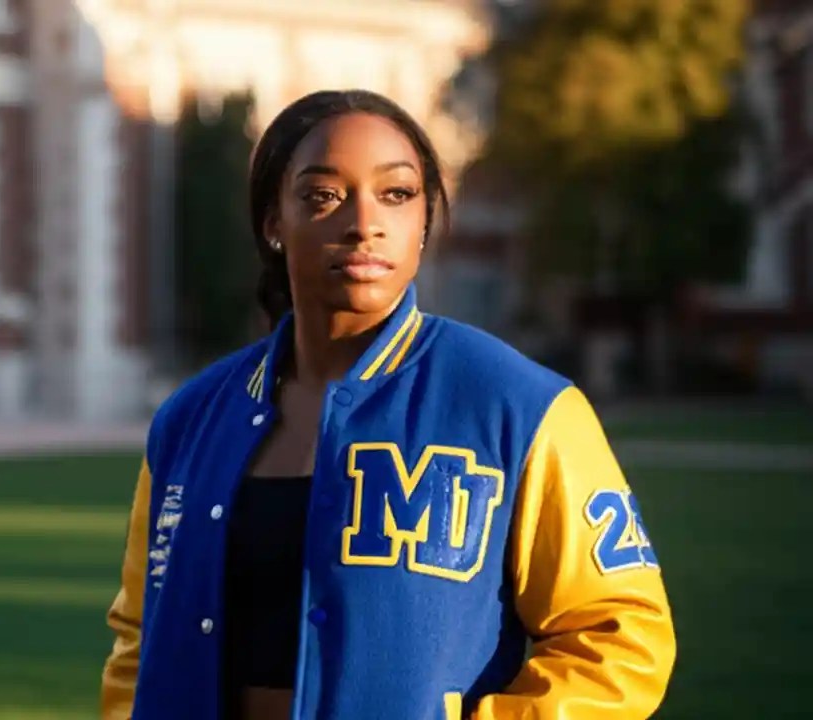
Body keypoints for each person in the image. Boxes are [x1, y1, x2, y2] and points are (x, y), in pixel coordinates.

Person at [100, 89, 675, 720]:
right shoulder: (190, 421)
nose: (363, 222)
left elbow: (621, 636)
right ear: (273, 222)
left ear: (425, 218)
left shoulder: (521, 406)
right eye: (323, 196)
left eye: (396, 194)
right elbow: (139, 636)